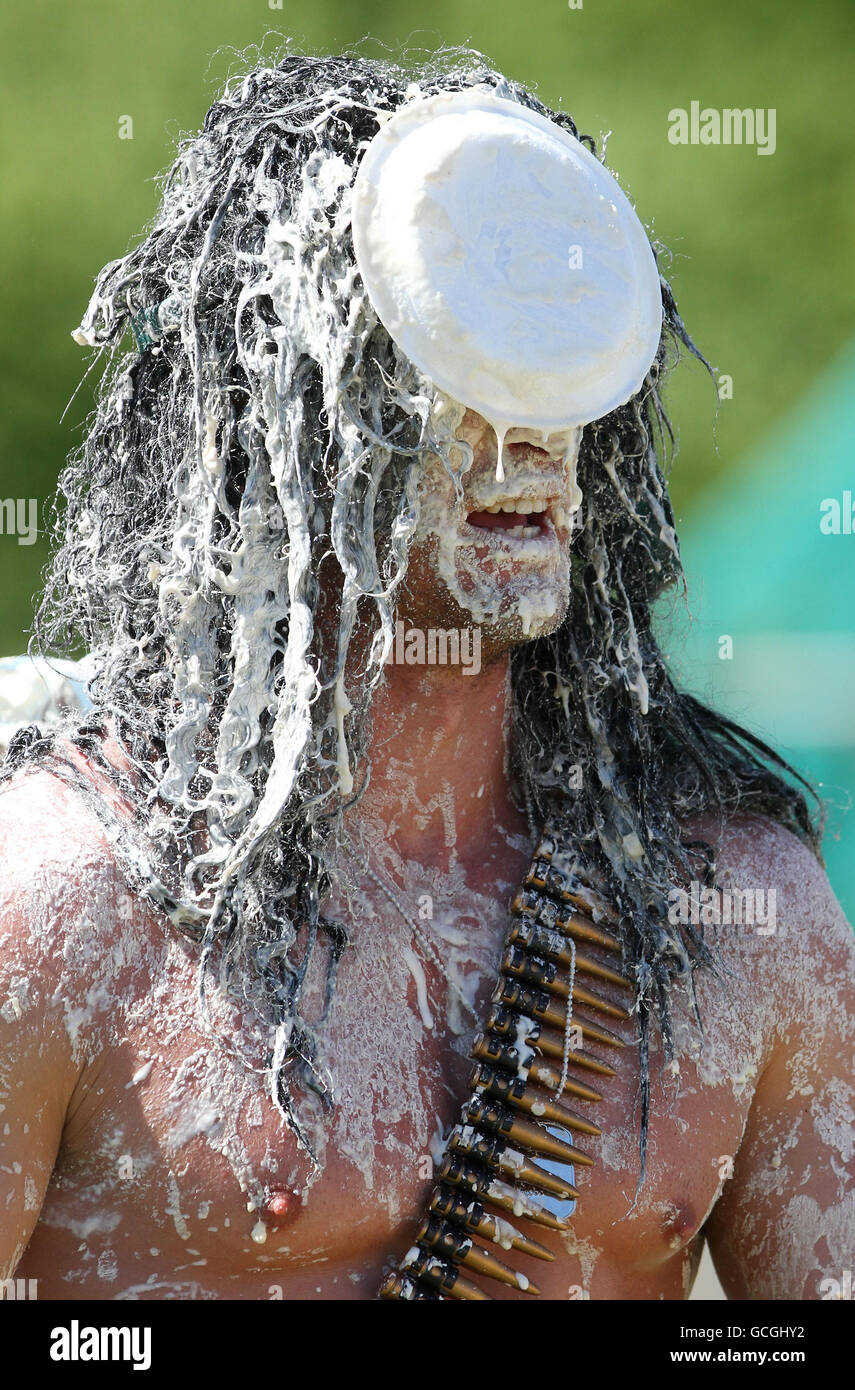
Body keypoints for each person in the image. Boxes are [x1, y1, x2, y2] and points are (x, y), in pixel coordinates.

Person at [1, 47, 852, 1302]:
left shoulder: (735, 916)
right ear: (276, 408)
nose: (523, 431)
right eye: (444, 362)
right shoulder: (70, 907)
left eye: (548, 359)